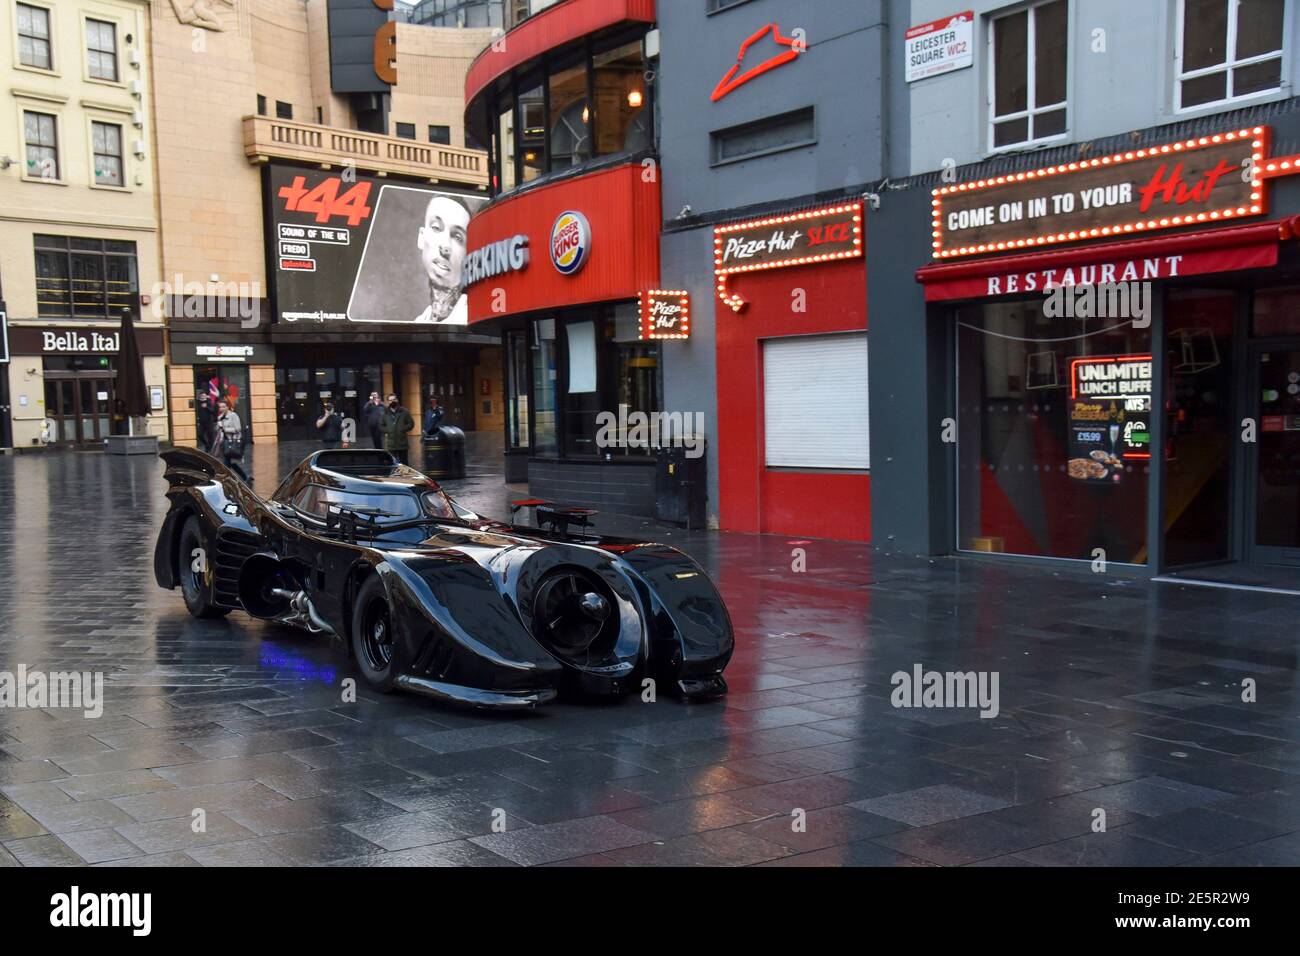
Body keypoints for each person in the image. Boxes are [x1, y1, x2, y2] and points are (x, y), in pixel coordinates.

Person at [414, 195, 470, 324]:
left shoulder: (473, 319)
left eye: (457, 237)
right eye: (436, 228)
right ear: (421, 238)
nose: (445, 247)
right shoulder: (421, 321)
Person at [213, 399, 251, 484]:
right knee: (229, 462)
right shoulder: (220, 417)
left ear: (227, 407)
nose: (221, 408)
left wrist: (225, 429)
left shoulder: (233, 415)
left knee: (227, 463)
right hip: (224, 442)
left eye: (223, 406)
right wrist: (218, 425)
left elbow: (238, 428)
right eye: (220, 407)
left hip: (232, 441)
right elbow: (217, 430)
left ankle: (227, 480)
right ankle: (244, 477)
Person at [381, 392, 414, 464]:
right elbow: (380, 425)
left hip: (402, 443)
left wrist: (403, 428)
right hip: (391, 444)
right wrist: (388, 430)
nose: (392, 401)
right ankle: (394, 475)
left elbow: (411, 423)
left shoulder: (404, 411)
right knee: (393, 463)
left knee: (404, 463)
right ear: (388, 402)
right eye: (390, 400)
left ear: (397, 400)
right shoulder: (385, 413)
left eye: (394, 399)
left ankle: (405, 475)